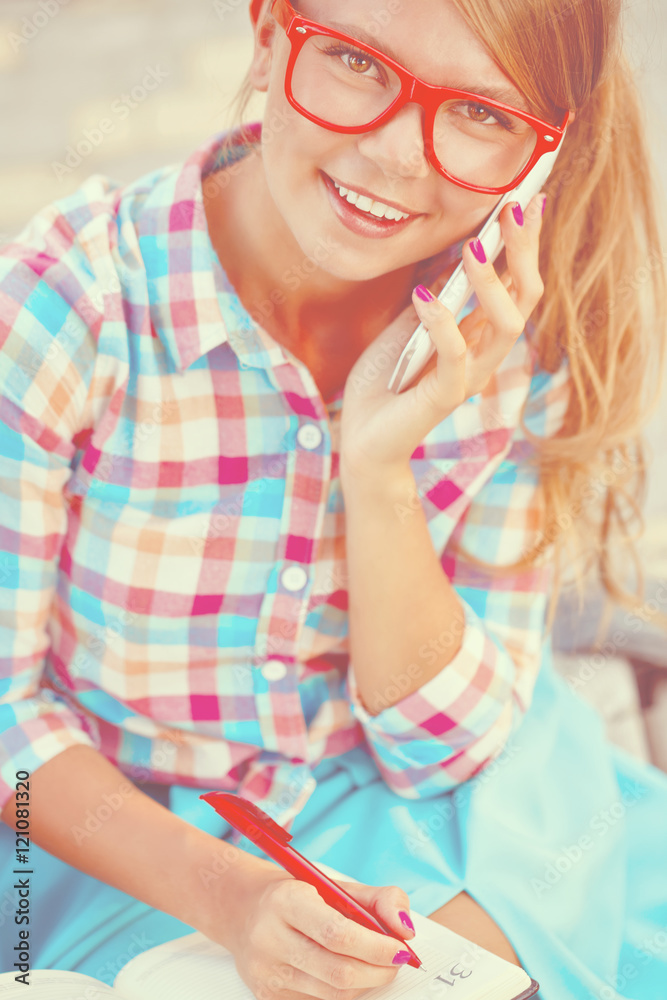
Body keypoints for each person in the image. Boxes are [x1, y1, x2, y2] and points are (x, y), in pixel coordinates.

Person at [1, 0, 666, 997]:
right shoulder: (65, 310)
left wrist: (379, 468)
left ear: (542, 151)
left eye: (480, 113)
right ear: (270, 31)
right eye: (356, 62)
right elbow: (7, 721)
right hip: (127, 835)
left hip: (428, 793)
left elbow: (451, 751)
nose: (398, 153)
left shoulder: (516, 337)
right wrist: (234, 898)